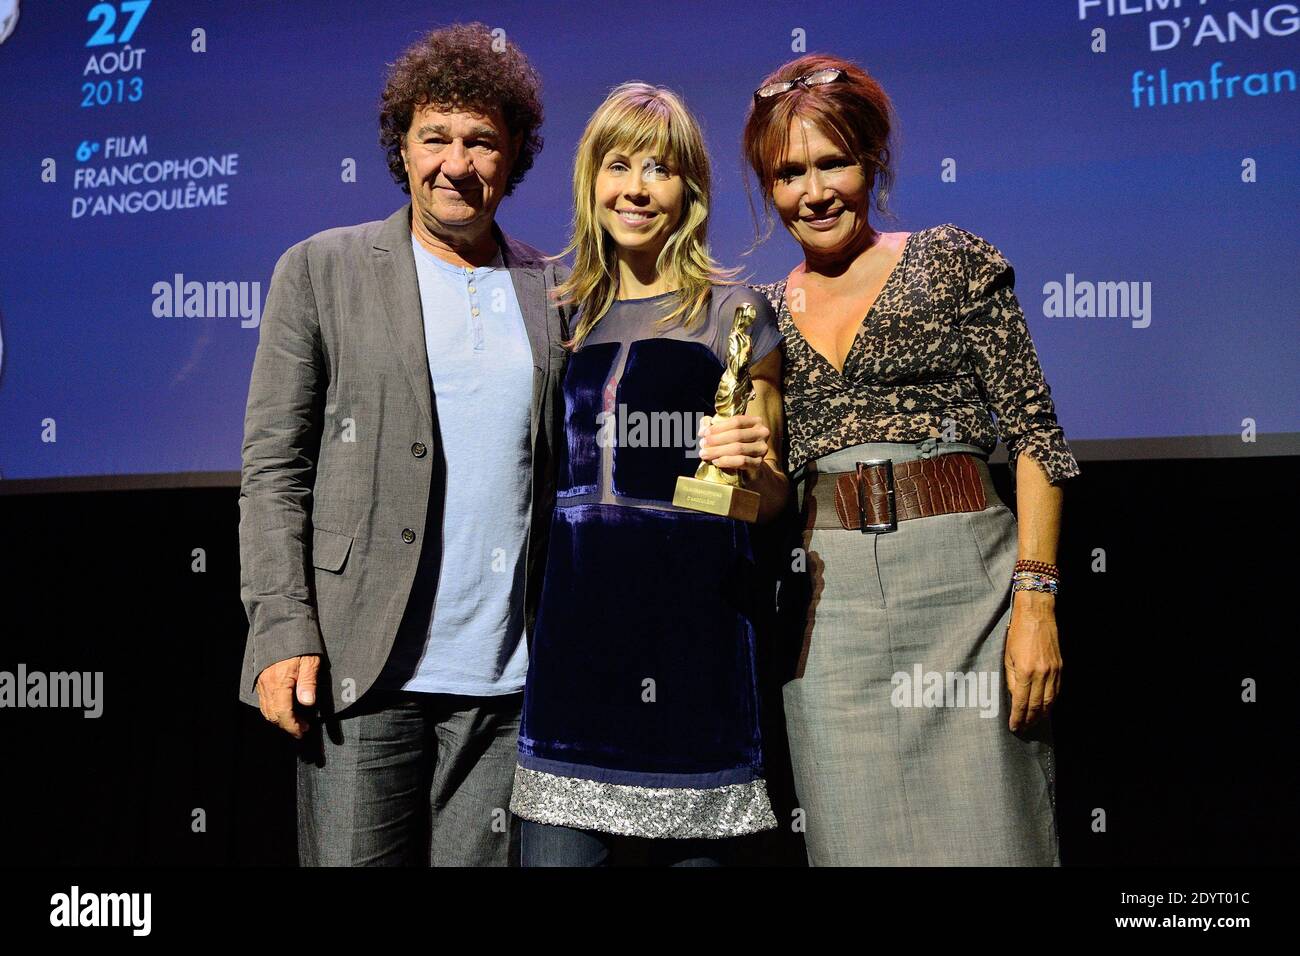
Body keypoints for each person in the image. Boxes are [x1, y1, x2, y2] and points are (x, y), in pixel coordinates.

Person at [236, 23, 571, 866]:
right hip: (360, 667)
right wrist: (280, 630)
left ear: (516, 155)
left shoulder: (550, 289)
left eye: (482, 142)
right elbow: (273, 471)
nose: (457, 163)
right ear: (402, 145)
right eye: (436, 138)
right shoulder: (320, 270)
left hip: (504, 686)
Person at [742, 54, 1081, 865]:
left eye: (835, 163)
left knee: (995, 840)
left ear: (872, 163)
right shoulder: (758, 315)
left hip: (968, 588)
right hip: (834, 612)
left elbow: (1038, 437)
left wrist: (1035, 603)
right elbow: (773, 497)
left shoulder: (949, 258)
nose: (815, 191)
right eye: (789, 174)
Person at [509, 82, 788, 866]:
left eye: (660, 170)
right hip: (573, 665)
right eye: (619, 164)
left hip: (691, 654)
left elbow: (771, 499)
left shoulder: (738, 315)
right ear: (591, 179)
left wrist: (754, 470)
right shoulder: (564, 315)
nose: (636, 188)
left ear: (689, 191)